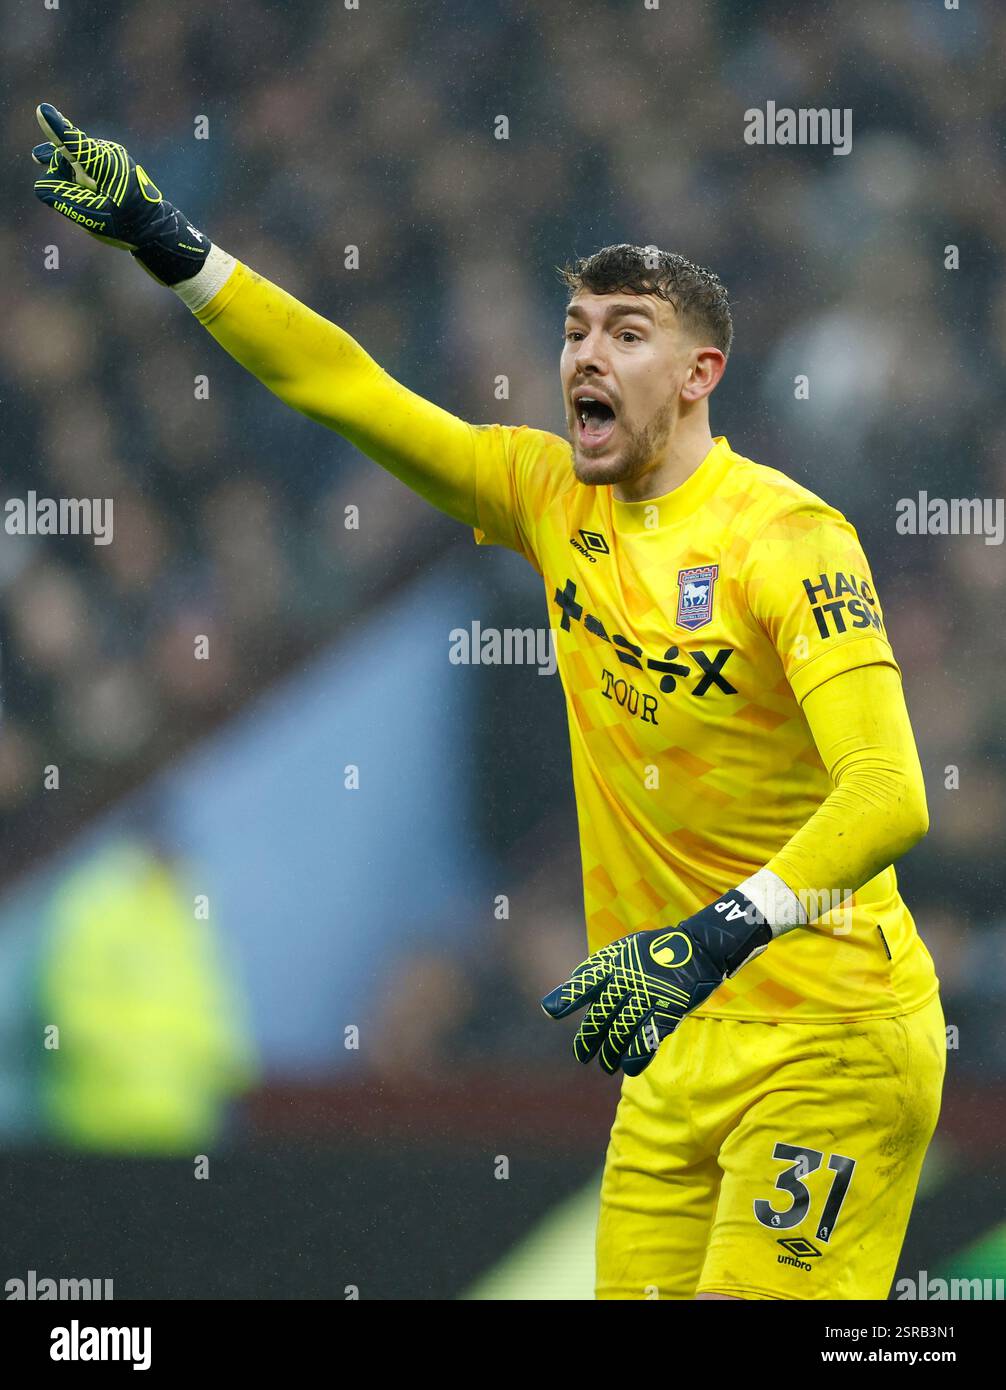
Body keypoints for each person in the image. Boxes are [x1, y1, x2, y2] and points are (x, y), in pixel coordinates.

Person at [29, 103, 945, 1300]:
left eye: (625, 334)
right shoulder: (543, 497)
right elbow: (345, 388)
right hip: (673, 1049)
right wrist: (171, 244)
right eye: (573, 333)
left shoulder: (791, 542)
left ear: (700, 372)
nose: (584, 358)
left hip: (831, 1034)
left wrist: (705, 939)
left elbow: (891, 793)